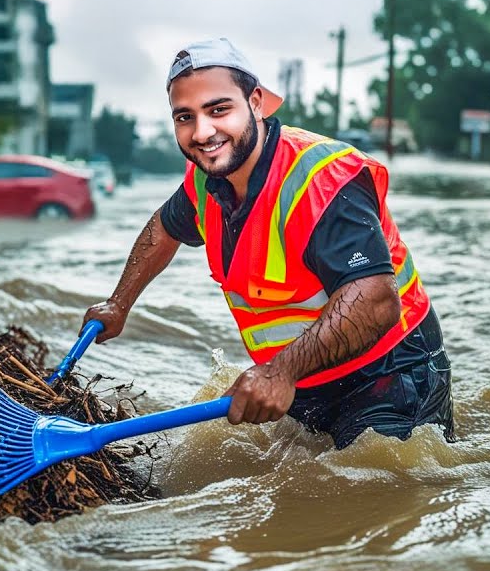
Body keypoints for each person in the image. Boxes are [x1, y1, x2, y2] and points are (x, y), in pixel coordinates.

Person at [83, 38, 454, 449]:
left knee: (360, 496)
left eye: (218, 109)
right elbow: (164, 228)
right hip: (307, 381)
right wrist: (119, 303)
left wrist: (280, 371)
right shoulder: (207, 181)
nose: (202, 132)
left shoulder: (322, 178)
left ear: (255, 102)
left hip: (389, 377)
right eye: (184, 117)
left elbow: (376, 299)